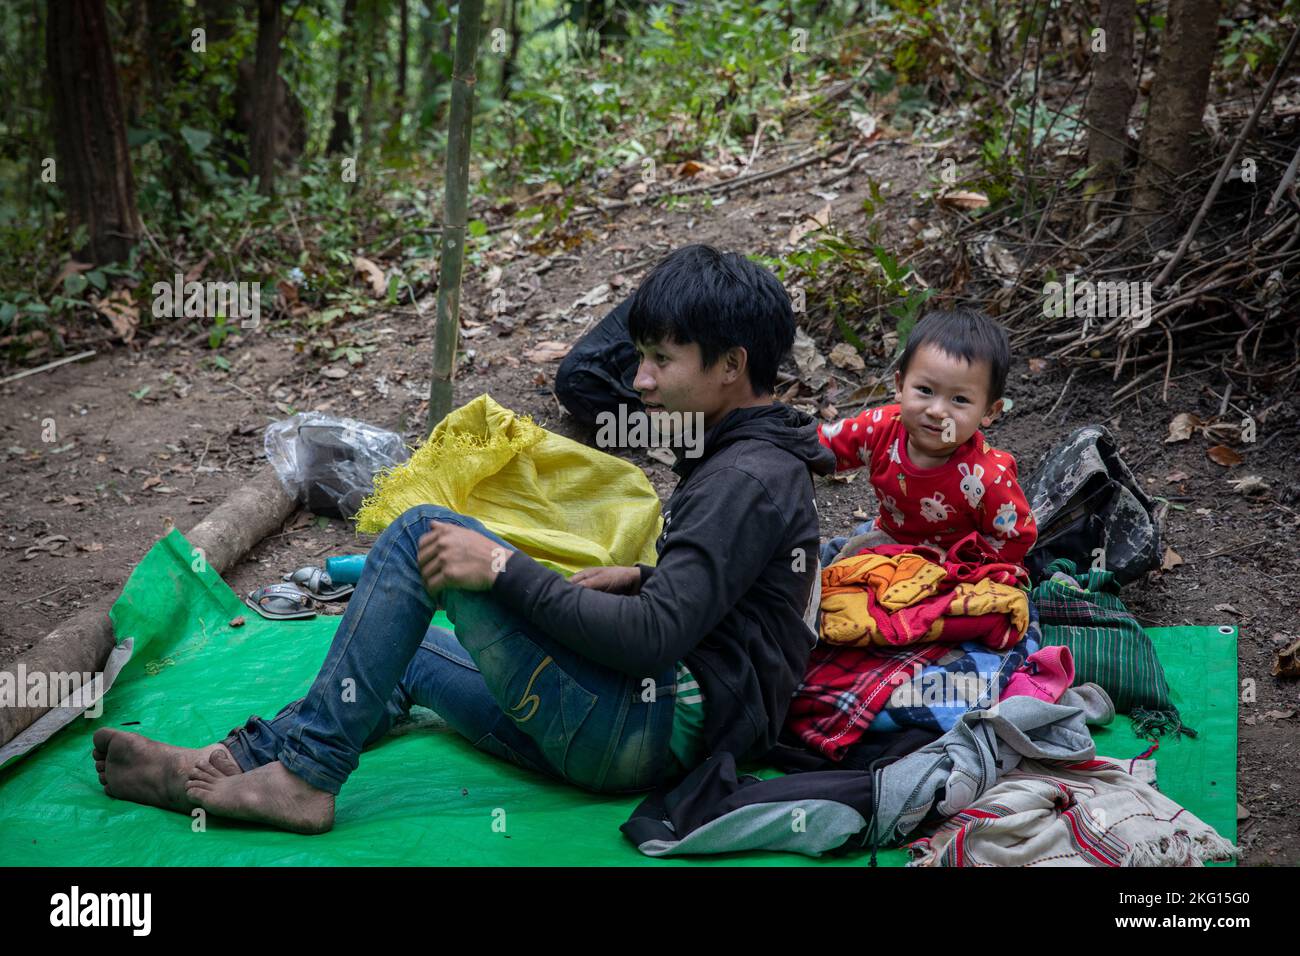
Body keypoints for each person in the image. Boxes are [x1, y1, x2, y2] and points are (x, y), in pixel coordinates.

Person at [92, 244, 836, 834]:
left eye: (662, 360)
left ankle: (304, 781)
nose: (638, 379)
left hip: (646, 732)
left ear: (732, 365)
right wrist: (640, 578)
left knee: (425, 531)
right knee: (407, 651)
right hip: (645, 733)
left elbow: (650, 641)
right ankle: (237, 759)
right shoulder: (753, 457)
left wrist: (506, 566)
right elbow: (725, 596)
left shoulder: (747, 476)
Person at [817, 307, 1038, 569]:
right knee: (833, 555)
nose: (936, 411)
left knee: (1009, 600)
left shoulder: (987, 477)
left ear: (989, 411)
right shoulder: (879, 429)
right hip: (890, 537)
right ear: (900, 386)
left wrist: (962, 564)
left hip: (950, 563)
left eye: (959, 400)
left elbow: (1018, 537)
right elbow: (823, 445)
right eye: (925, 390)